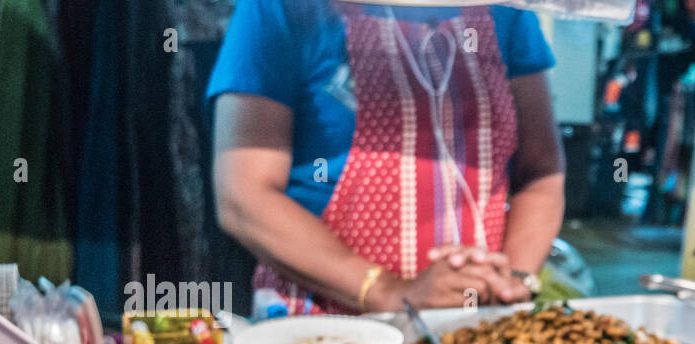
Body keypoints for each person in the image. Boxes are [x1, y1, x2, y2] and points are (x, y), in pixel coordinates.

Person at [208, 0, 566, 314]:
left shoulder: (508, 11)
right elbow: (244, 196)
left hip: (472, 325)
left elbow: (541, 173)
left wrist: (513, 283)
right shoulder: (284, 8)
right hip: (323, 332)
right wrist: (388, 292)